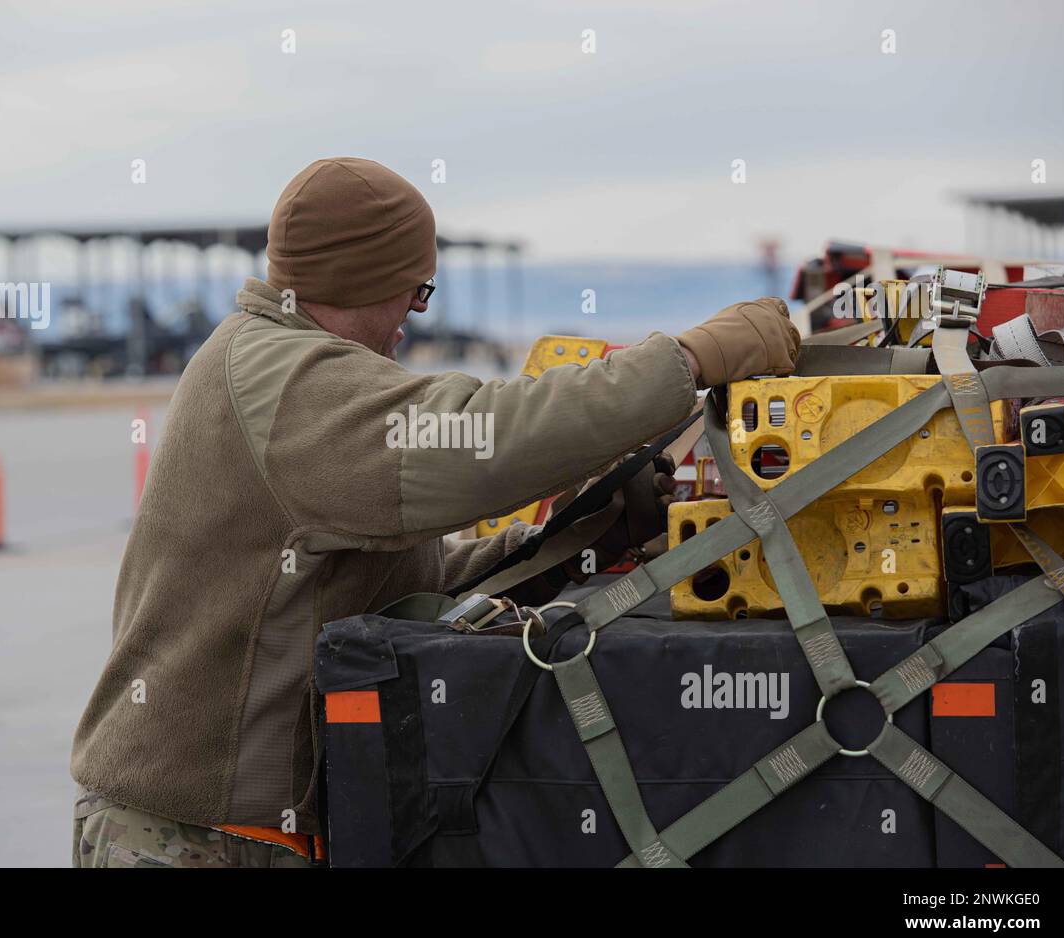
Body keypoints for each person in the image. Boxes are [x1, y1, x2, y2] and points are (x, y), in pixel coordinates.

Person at [71, 157, 801, 867]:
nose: (406, 326)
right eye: (416, 294)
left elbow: (387, 583)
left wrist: (583, 534)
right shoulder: (287, 381)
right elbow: (486, 435)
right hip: (194, 842)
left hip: (229, 834)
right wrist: (689, 360)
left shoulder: (273, 365)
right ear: (364, 281)